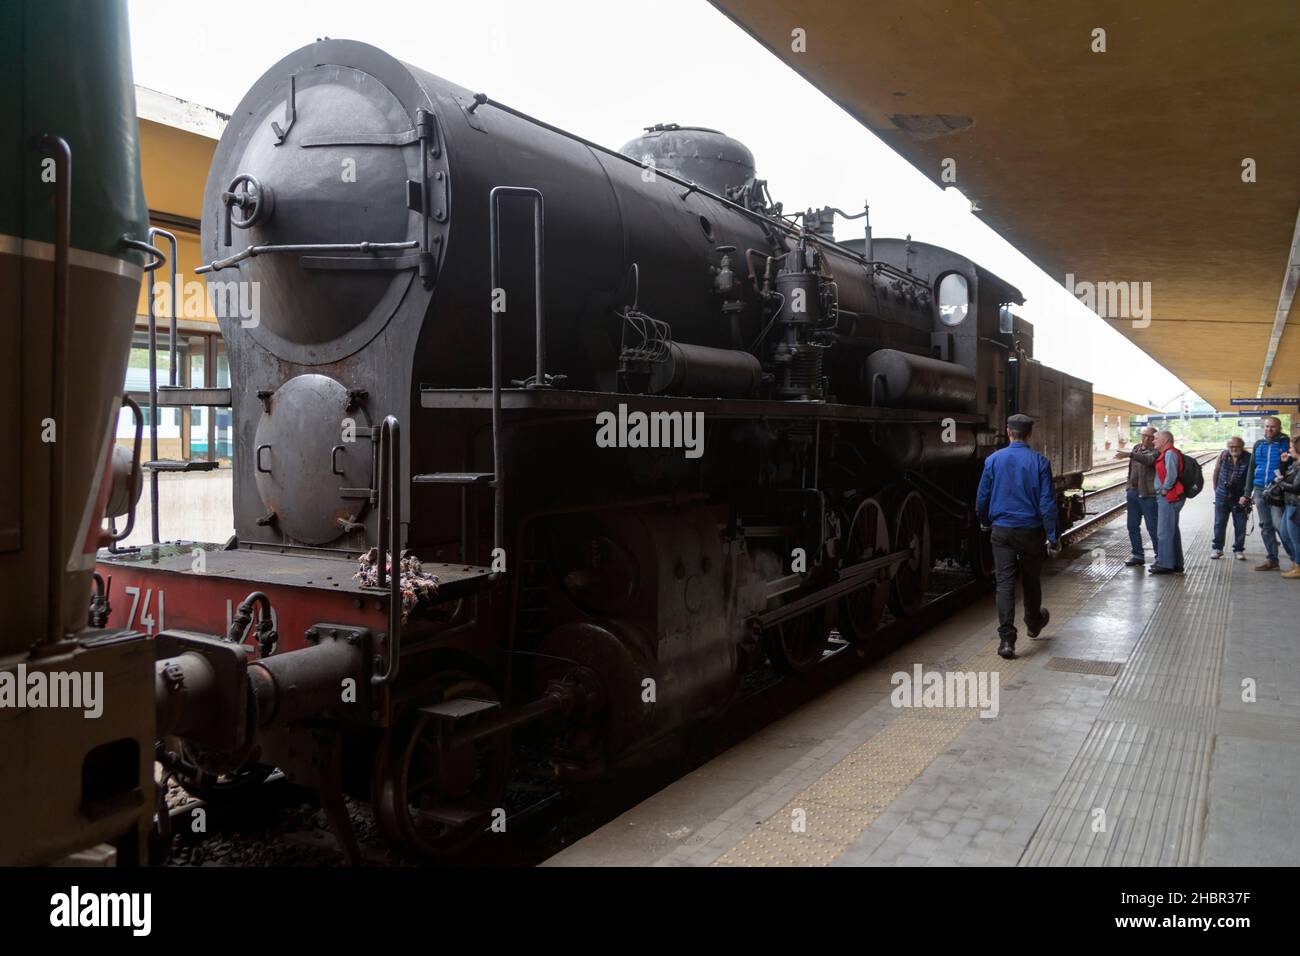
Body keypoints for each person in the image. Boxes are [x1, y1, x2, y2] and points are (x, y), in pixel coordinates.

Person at [976, 413, 1058, 660]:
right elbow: (1047, 503)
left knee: (1004, 584)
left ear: (1008, 432)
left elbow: (982, 496)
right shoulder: (1040, 462)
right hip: (1030, 532)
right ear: (1029, 434)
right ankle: (1033, 623)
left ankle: (1007, 642)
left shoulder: (993, 460)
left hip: (1002, 531)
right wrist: (1053, 536)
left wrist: (984, 521)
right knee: (1031, 580)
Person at [1243, 416, 1291, 571]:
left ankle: (1296, 560)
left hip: (1277, 491)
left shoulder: (1286, 444)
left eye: (1273, 427)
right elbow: (1251, 469)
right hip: (1259, 490)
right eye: (1267, 426)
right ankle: (1272, 560)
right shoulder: (1259, 444)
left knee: (1280, 526)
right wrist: (1246, 492)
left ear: (1279, 428)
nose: (1269, 429)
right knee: (1265, 526)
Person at [1114, 426, 1160, 567]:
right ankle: (1137, 555)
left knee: (1152, 527)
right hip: (1133, 493)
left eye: (1150, 437)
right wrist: (1128, 486)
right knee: (1132, 526)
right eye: (1144, 435)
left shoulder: (1157, 451)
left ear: (1155, 438)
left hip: (1148, 494)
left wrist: (1130, 455)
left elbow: (1149, 461)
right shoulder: (1136, 448)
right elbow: (1131, 468)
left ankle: (1160, 557)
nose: (1146, 439)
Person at [1148, 430, 1185, 575]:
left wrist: (1164, 489)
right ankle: (1176, 563)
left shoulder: (1170, 453)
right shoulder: (1170, 453)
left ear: (1165, 440)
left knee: (1164, 531)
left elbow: (1172, 475)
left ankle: (1165, 564)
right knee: (1172, 531)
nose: (1153, 441)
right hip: (1170, 496)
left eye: (1156, 438)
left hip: (1169, 497)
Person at [1210, 436, 1251, 559]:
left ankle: (1238, 549)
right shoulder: (1223, 455)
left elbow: (1251, 477)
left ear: (1242, 447)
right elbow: (1216, 471)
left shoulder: (1249, 458)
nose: (1233, 449)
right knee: (1219, 523)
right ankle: (1217, 548)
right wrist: (1216, 490)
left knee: (1240, 524)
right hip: (1222, 495)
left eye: (1236, 447)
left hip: (1240, 497)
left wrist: (1247, 495)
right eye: (1231, 447)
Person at [1278, 435, 1300, 579]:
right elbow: (1286, 475)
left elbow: (1297, 487)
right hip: (1289, 503)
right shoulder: (1295, 464)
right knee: (1284, 534)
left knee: (1296, 538)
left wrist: (1280, 483)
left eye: (1292, 446)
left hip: (1296, 505)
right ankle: (1296, 562)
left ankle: (1298, 567)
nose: (1290, 449)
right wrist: (1283, 463)